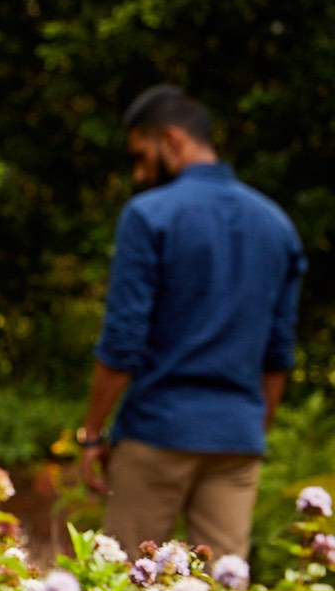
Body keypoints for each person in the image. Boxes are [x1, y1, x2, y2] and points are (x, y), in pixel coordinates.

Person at [79, 85, 306, 558]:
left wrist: (93, 434)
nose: (140, 175)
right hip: (237, 441)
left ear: (173, 140)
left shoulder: (149, 216)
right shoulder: (277, 225)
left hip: (157, 433)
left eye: (142, 156)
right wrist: (249, 429)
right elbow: (278, 355)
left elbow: (122, 343)